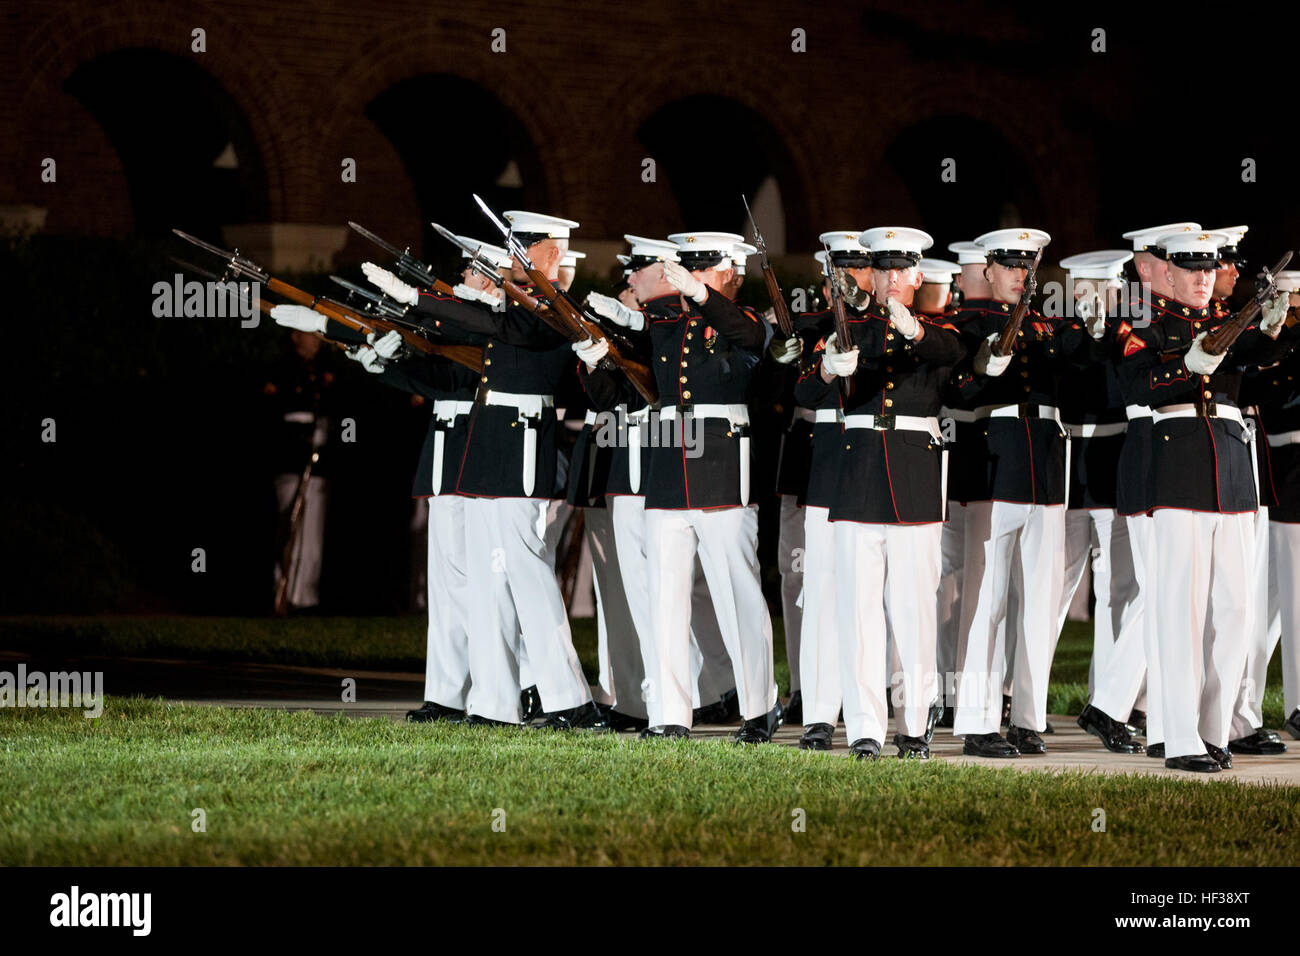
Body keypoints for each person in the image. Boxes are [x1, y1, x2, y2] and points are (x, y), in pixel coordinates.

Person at [362, 210, 604, 730]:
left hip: (518, 452)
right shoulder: (512, 308)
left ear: (550, 255)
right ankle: (495, 703)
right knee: (491, 585)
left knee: (527, 576)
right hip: (489, 451)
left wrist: (417, 299)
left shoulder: (551, 309)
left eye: (524, 246)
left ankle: (569, 699)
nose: (513, 255)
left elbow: (494, 322)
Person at [1118, 228, 1291, 772]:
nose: (1201, 277)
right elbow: (1132, 386)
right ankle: (1179, 735)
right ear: (1166, 272)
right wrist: (1183, 366)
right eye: (1190, 268)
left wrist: (1271, 329)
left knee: (1236, 610)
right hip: (1179, 471)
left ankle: (1215, 730)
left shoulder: (1224, 323)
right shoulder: (1145, 321)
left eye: (1208, 269)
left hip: (1232, 470)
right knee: (1180, 611)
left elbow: (1256, 368)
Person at [804, 226, 962, 759]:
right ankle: (866, 728)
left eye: (902, 270)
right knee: (858, 611)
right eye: (883, 270)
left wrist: (912, 329)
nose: (892, 278)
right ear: (870, 275)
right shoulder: (850, 328)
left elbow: (951, 352)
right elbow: (803, 387)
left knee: (914, 611)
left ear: (918, 276)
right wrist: (828, 367)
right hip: (858, 476)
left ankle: (915, 726)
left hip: (915, 481)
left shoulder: (939, 329)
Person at [950, 227, 1101, 758]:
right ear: (988, 270)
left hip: (1046, 469)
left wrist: (1098, 323)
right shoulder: (967, 323)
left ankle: (1028, 716)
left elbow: (1090, 361)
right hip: (995, 464)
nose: (1019, 274)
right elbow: (956, 389)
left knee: (1039, 601)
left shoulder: (1049, 327)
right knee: (985, 599)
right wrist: (981, 365)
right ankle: (975, 718)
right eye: (1010, 265)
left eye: (1027, 266)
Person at [627, 231, 779, 741]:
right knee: (665, 597)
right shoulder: (667, 320)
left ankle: (758, 710)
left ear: (729, 273)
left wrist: (701, 297)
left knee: (736, 591)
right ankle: (670, 714)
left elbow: (751, 341)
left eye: (703, 270)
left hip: (720, 466)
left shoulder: (747, 320)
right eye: (688, 269)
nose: (691, 278)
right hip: (668, 466)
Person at [1054, 250, 1146, 754]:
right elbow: (1066, 369)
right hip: (1070, 453)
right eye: (1094, 289)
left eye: (1111, 289)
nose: (1104, 298)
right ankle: (1012, 698)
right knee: (1055, 585)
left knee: (1118, 585)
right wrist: (1086, 333)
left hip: (1114, 453)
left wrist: (1103, 332)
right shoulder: (1062, 329)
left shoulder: (1126, 332)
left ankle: (1110, 699)